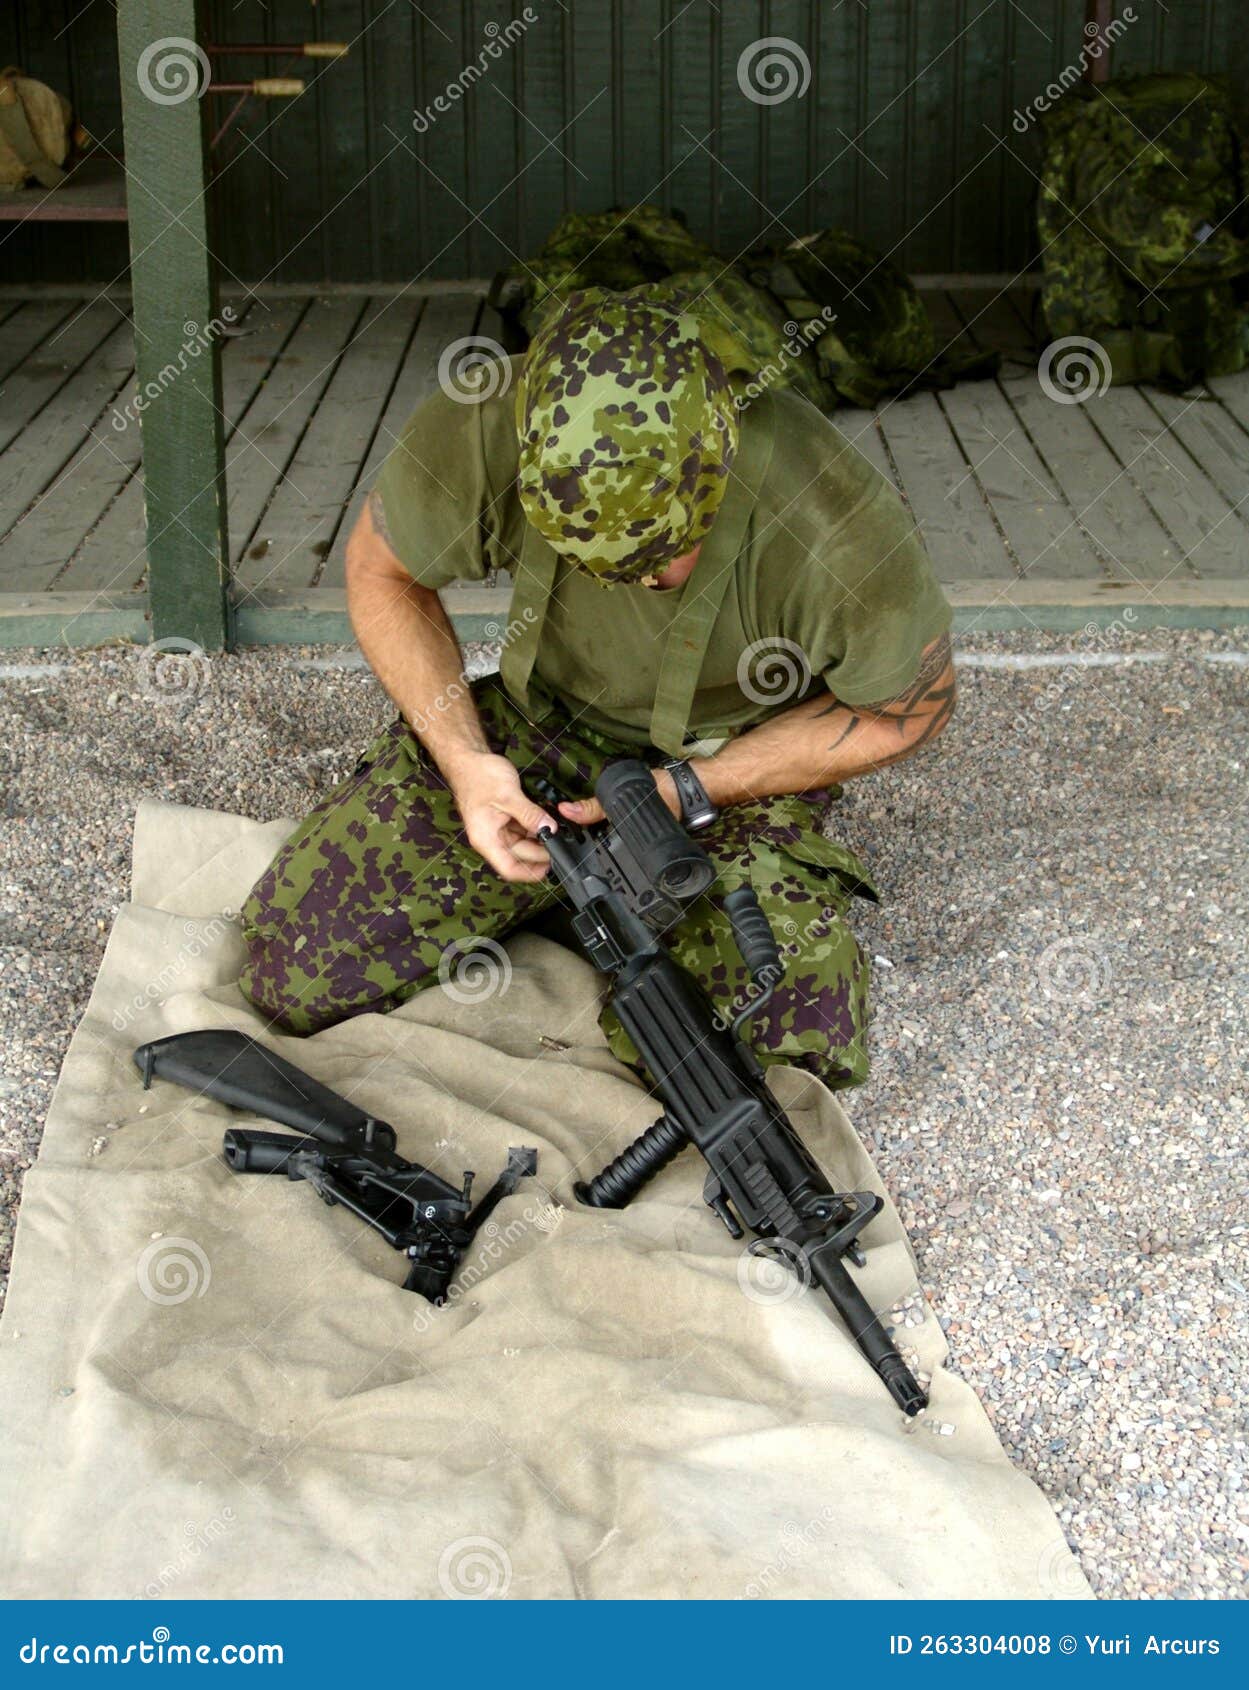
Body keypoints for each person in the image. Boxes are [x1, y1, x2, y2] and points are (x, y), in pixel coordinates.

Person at [239, 288, 955, 1090]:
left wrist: (693, 787)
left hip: (730, 774)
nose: (639, 581)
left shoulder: (829, 513)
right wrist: (466, 761)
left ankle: (579, 915)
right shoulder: (483, 422)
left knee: (774, 1055)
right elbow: (382, 573)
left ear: (715, 472)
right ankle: (567, 903)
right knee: (291, 974)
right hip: (539, 732)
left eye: (658, 558)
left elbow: (907, 711)